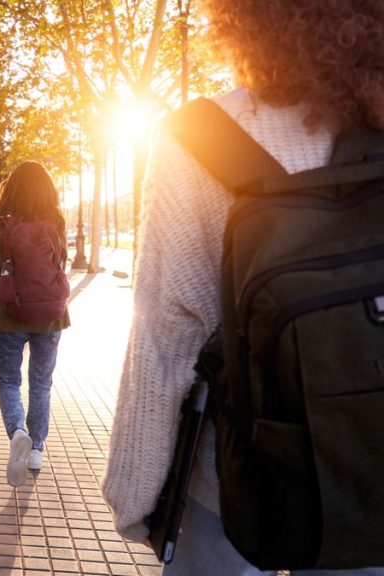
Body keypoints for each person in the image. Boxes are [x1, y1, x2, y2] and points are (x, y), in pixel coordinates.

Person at [101, 2, 384, 575]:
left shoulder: (201, 137)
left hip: (232, 479)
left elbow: (167, 334)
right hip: (367, 468)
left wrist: (136, 497)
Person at [0, 161, 70, 487]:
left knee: (9, 382)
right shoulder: (55, 218)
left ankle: (17, 431)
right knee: (41, 383)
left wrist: (6, 282)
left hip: (8, 315)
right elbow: (61, 261)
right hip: (50, 314)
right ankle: (38, 449)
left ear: (10, 186)